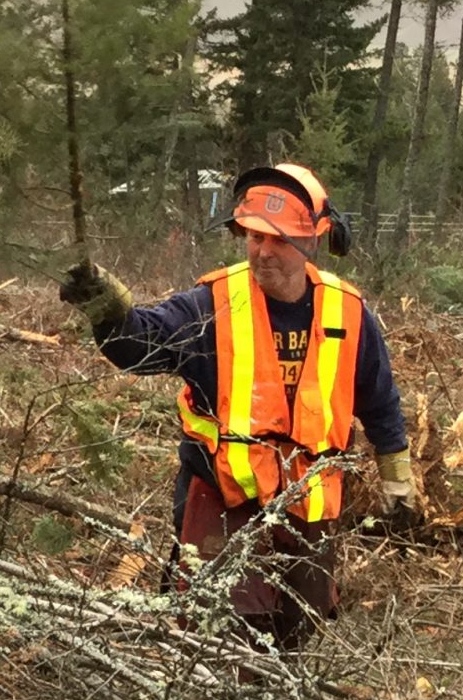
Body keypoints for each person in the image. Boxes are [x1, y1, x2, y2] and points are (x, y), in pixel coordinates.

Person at [60, 163, 412, 646]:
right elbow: (139, 346)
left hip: (311, 505)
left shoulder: (346, 311)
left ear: (314, 239)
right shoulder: (212, 304)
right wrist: (107, 307)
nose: (263, 252)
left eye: (278, 240)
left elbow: (378, 399)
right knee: (217, 639)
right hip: (224, 497)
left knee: (295, 633)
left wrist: (397, 472)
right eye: (253, 237)